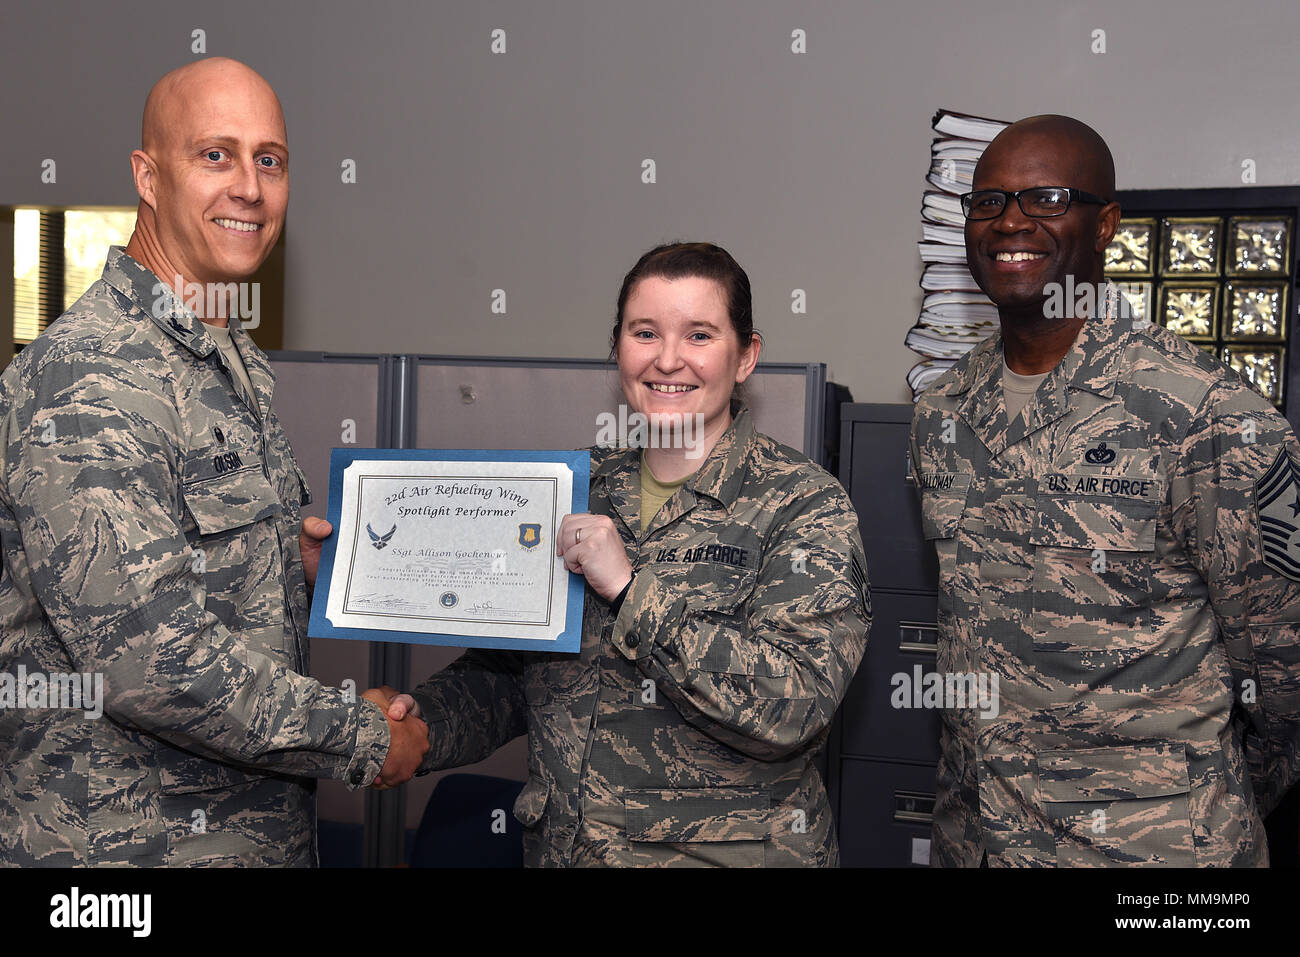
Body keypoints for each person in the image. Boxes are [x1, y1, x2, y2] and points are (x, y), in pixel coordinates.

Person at [0, 57, 427, 867]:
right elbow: (147, 661)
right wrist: (362, 735)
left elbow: (184, 564)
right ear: (148, 177)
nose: (250, 187)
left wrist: (282, 561)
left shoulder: (227, 359)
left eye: (270, 160)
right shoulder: (90, 376)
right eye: (215, 155)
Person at [377, 242, 870, 866]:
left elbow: (796, 705)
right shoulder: (571, 488)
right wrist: (423, 726)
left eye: (698, 335)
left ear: (745, 356)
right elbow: (513, 676)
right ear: (618, 348)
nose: (668, 360)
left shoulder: (803, 504)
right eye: (645, 332)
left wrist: (632, 590)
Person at [911, 114, 1300, 866]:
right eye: (987, 202)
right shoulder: (942, 412)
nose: (1010, 221)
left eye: (1046, 197)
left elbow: (1282, 677)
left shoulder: (1207, 414)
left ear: (1106, 224)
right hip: (980, 838)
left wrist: (1195, 799)